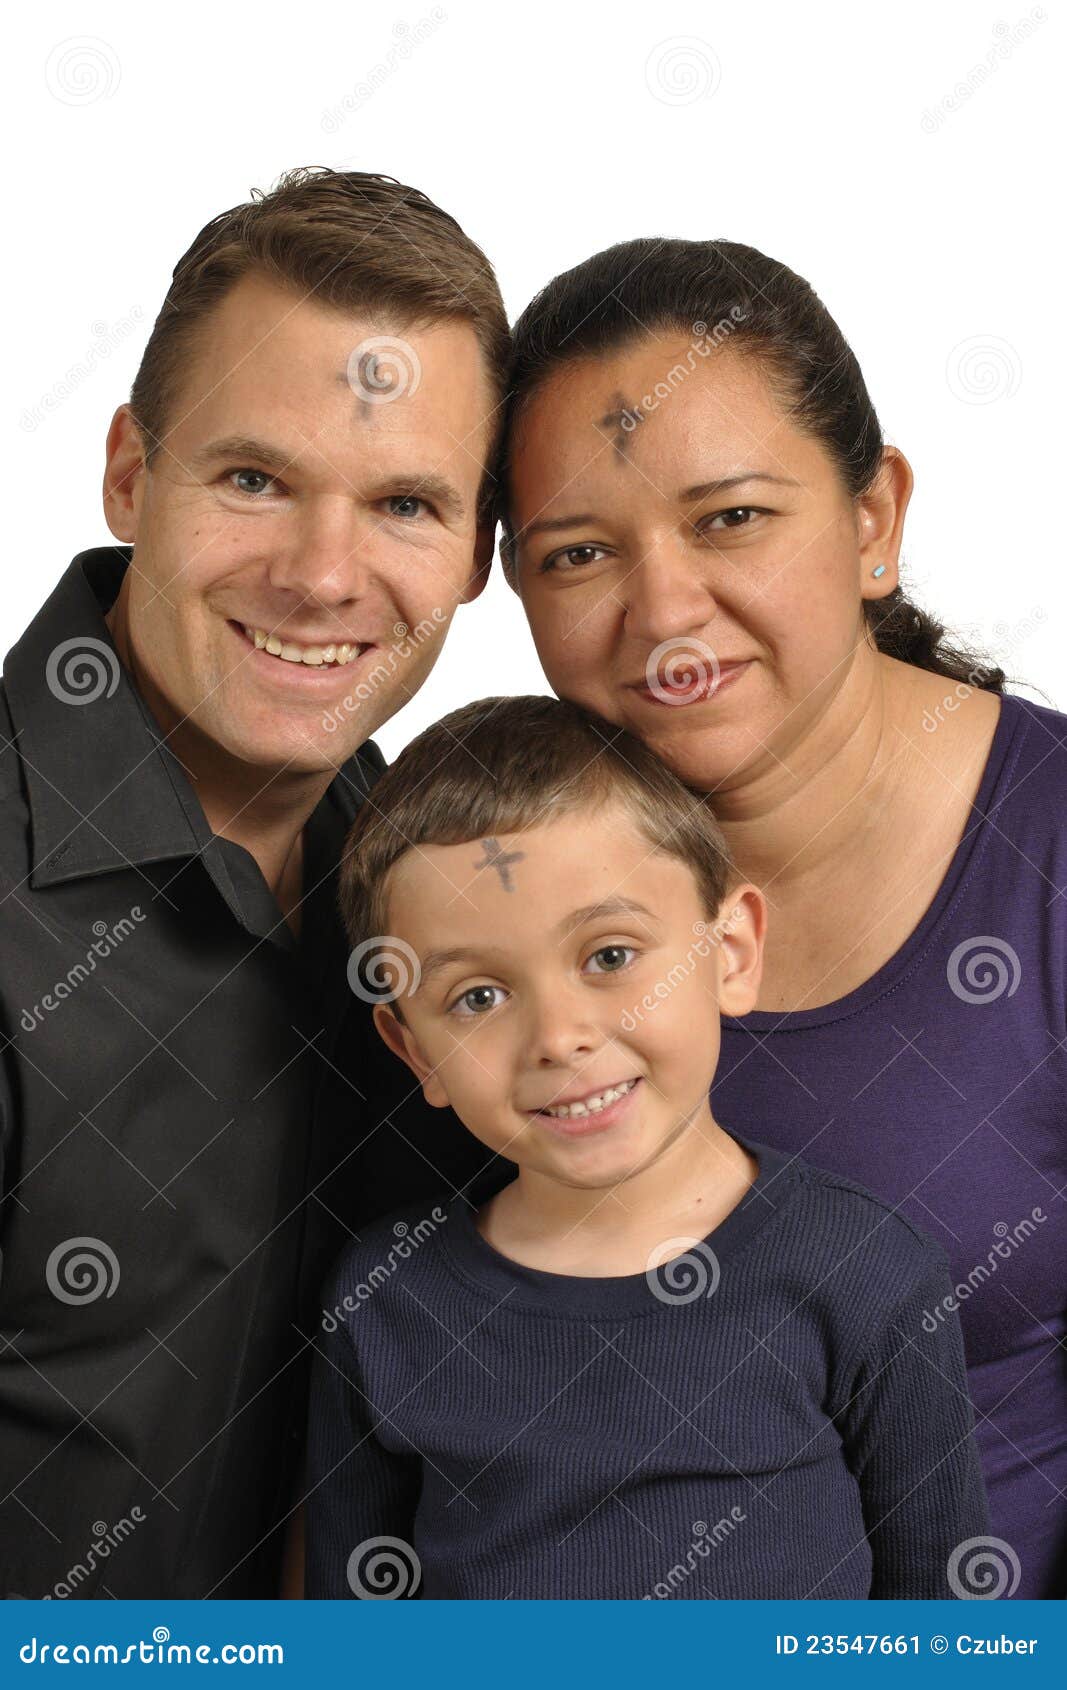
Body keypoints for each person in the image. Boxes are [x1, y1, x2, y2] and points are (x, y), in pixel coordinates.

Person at [493, 237, 1066, 1599]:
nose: (662, 608)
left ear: (871, 521)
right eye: (579, 552)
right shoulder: (480, 871)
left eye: (730, 518)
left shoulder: (1043, 855)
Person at [0, 167, 507, 1598]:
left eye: (403, 503)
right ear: (128, 473)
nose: (322, 575)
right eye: (254, 480)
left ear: (477, 551)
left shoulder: (444, 883)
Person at [305, 694, 989, 1600]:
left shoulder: (864, 1271)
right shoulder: (384, 1300)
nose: (560, 1037)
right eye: (477, 997)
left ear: (730, 951)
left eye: (609, 956)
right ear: (414, 1051)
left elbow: (946, 1626)